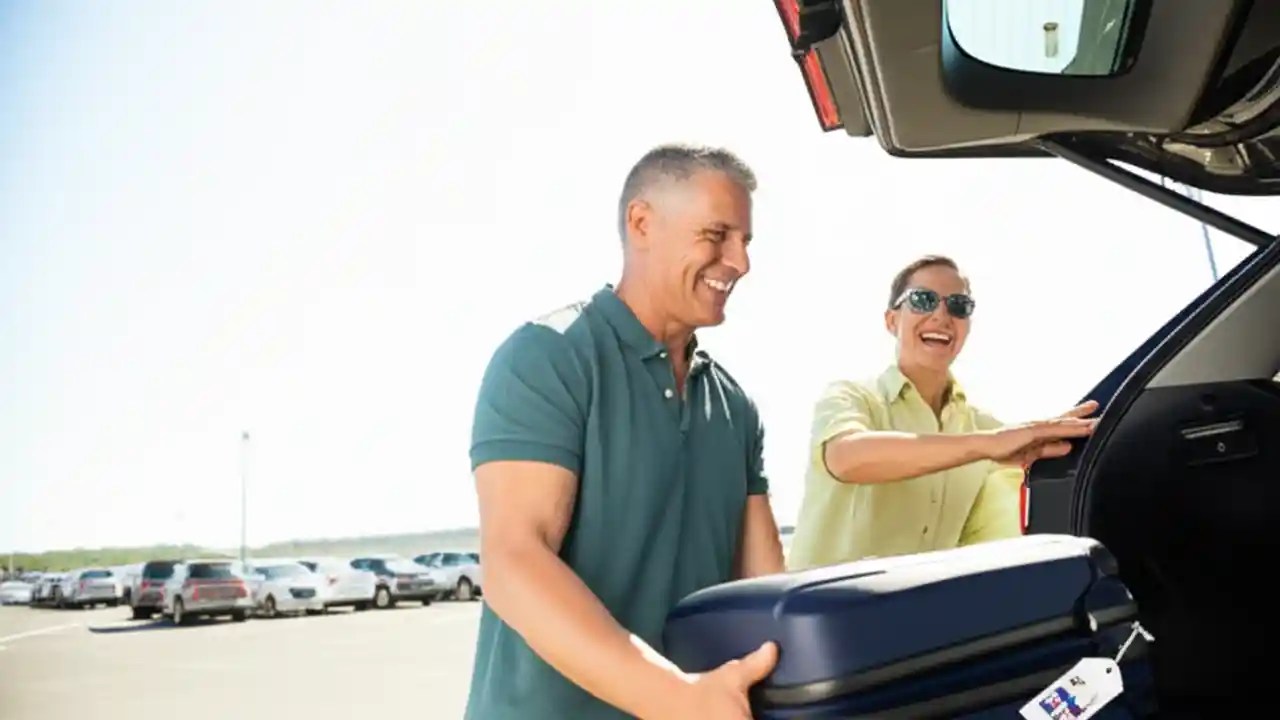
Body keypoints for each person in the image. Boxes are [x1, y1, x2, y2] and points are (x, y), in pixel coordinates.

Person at [464, 143, 786, 720]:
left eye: (745, 241)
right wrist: (677, 699)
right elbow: (514, 561)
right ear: (641, 223)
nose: (739, 262)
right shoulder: (548, 358)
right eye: (717, 235)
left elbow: (765, 593)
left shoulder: (735, 406)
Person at [786, 255, 1099, 571]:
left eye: (958, 305)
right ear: (891, 320)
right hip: (822, 613)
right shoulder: (850, 396)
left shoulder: (984, 427)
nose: (941, 315)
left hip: (921, 615)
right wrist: (988, 445)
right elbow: (846, 458)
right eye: (923, 300)